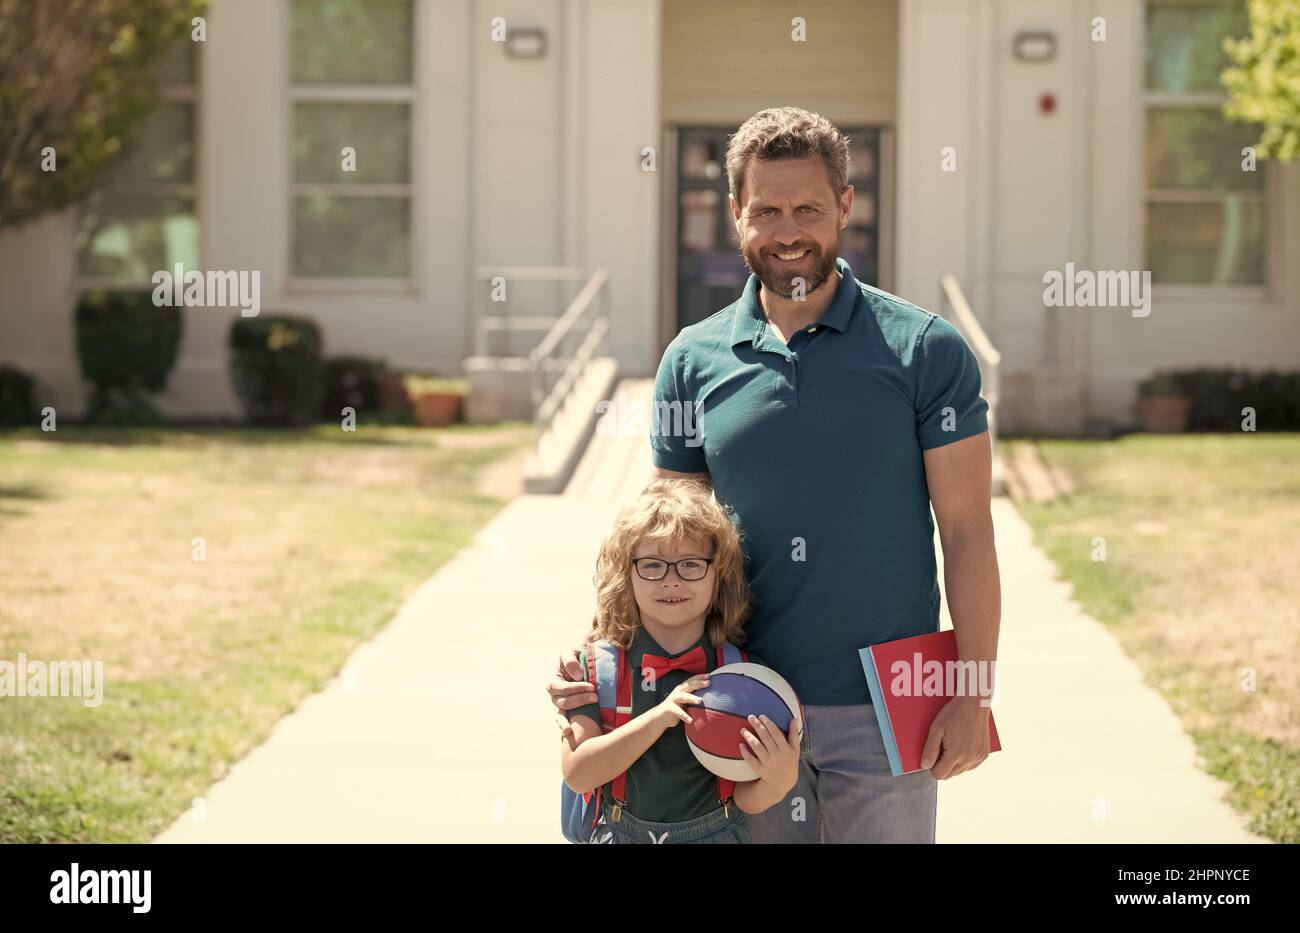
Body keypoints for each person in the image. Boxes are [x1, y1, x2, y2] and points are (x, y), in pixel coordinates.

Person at [552, 106, 1001, 843]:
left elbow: (968, 530)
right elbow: (669, 540)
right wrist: (602, 660)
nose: (788, 230)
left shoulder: (926, 350)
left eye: (808, 208)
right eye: (766, 210)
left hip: (892, 704)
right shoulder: (690, 362)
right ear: (736, 215)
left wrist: (971, 690)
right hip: (737, 696)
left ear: (846, 208)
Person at [560, 477, 800, 844]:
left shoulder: (744, 676)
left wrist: (778, 780)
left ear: (718, 576)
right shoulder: (597, 668)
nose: (671, 581)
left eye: (690, 565)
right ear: (627, 575)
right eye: (652, 566)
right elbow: (579, 773)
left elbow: (745, 799)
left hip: (717, 832)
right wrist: (661, 717)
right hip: (621, 831)